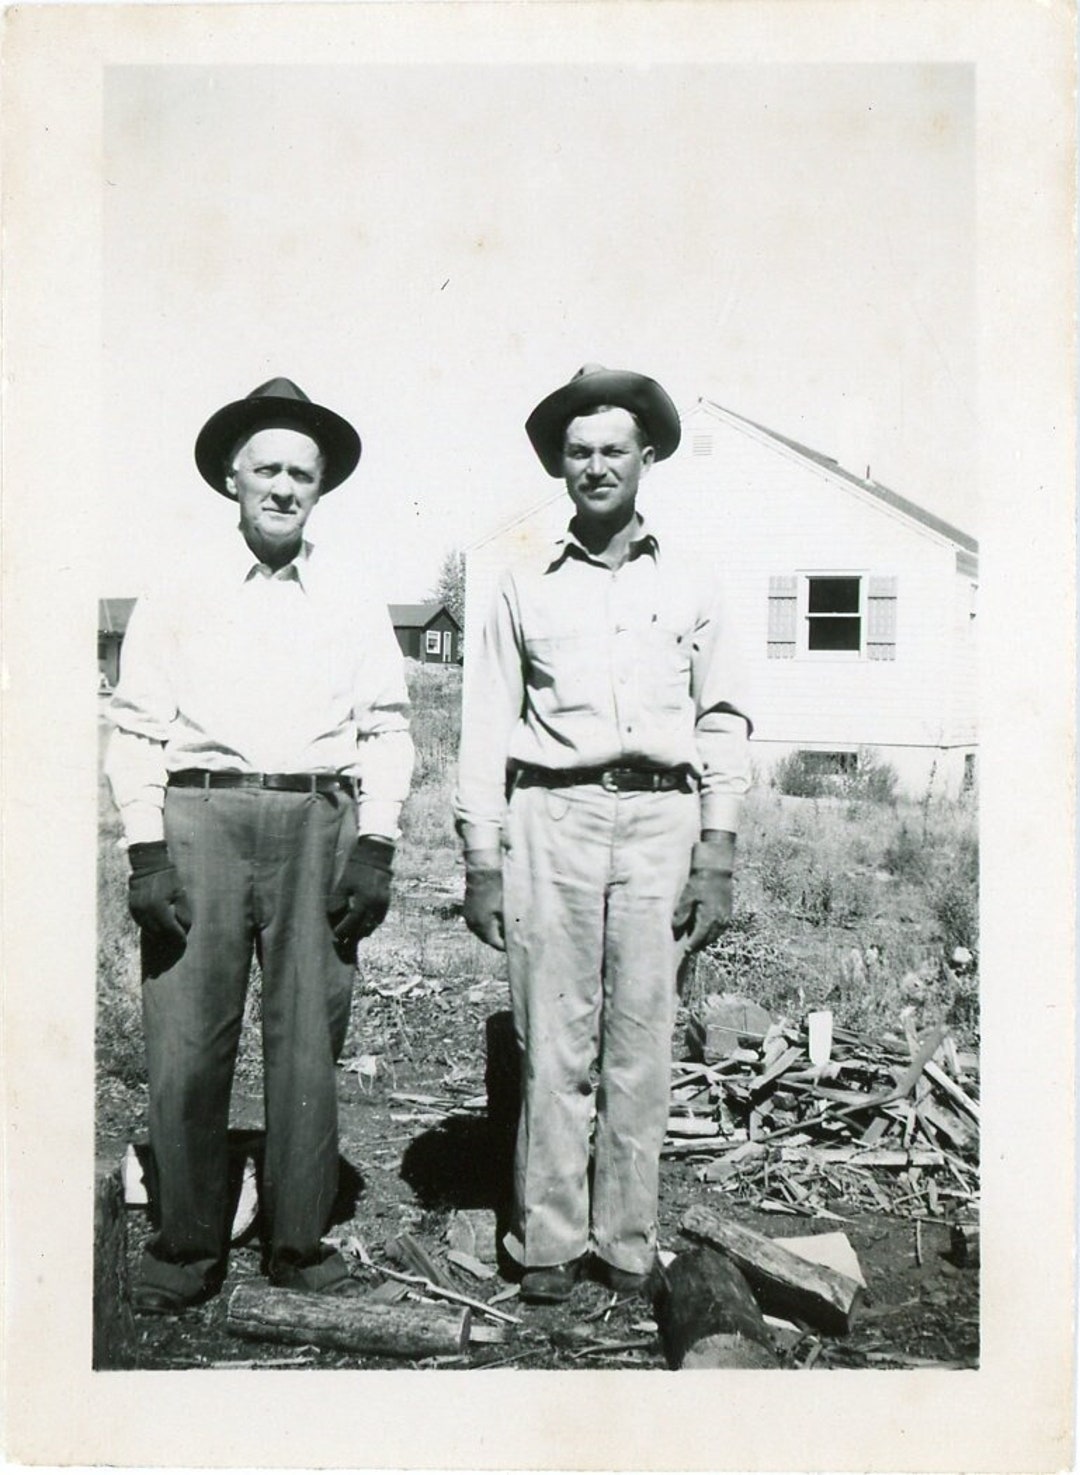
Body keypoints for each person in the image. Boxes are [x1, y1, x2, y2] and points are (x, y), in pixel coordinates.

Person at [106, 377, 415, 1313]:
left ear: (321, 489)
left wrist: (378, 843)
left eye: (303, 474)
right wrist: (148, 851)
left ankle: (296, 1236)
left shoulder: (353, 594)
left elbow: (389, 727)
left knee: (309, 1036)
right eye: (268, 468)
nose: (284, 486)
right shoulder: (180, 588)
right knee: (188, 1037)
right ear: (232, 478)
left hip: (317, 821)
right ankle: (187, 1242)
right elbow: (135, 727)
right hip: (201, 819)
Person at [455, 363, 752, 1304]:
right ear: (561, 465)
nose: (595, 466)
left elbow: (723, 722)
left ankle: (626, 1243)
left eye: (612, 449)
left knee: (642, 1038)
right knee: (556, 1038)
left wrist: (718, 852)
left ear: (647, 456)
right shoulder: (517, 582)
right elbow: (484, 728)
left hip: (664, 821)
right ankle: (546, 1242)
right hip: (553, 816)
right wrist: (479, 860)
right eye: (577, 452)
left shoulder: (696, 580)